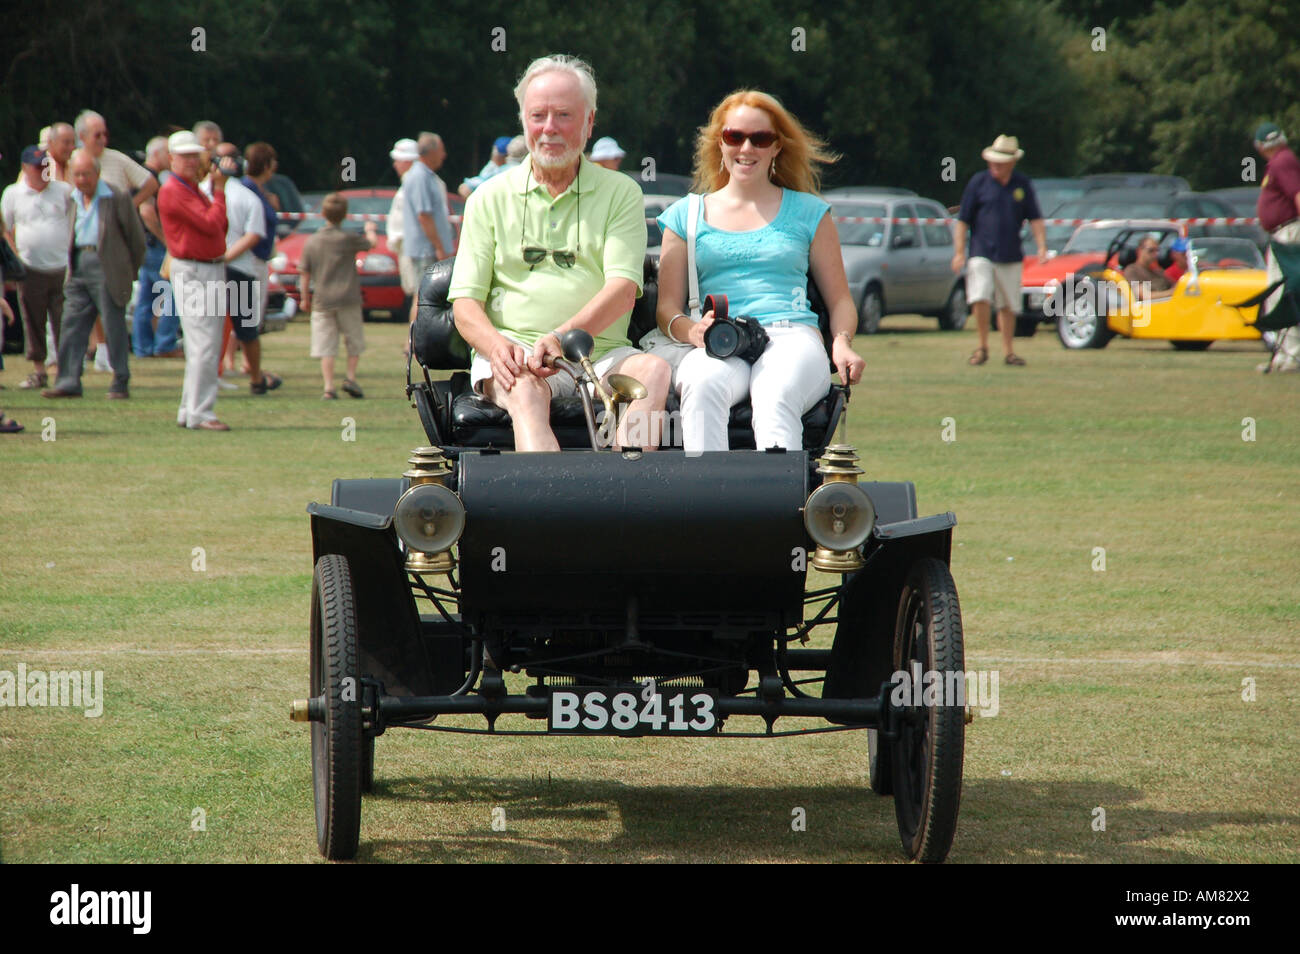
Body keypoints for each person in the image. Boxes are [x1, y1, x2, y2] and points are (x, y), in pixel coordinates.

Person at [448, 53, 670, 452]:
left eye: (564, 115)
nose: (549, 128)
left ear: (589, 123)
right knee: (526, 392)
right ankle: (546, 506)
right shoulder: (487, 198)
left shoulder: (621, 192)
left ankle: (628, 495)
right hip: (515, 353)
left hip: (599, 355)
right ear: (523, 121)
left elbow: (622, 289)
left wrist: (559, 338)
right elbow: (465, 304)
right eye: (538, 116)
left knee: (652, 371)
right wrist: (498, 348)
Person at [652, 90, 864, 454]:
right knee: (701, 388)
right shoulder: (684, 215)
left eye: (760, 138)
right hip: (719, 340)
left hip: (792, 335)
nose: (746, 148)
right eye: (735, 136)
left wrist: (841, 342)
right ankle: (708, 506)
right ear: (719, 142)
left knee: (775, 392)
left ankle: (777, 508)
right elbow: (666, 309)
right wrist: (695, 331)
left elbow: (840, 299)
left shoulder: (811, 212)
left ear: (777, 147)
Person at [40, 150, 145, 400]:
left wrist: (128, 273)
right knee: (71, 324)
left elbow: (137, 241)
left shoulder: (116, 197)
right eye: (76, 174)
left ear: (97, 173)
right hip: (78, 264)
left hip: (107, 265)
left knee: (113, 325)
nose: (81, 179)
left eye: (86, 174)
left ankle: (120, 380)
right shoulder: (73, 198)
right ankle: (68, 381)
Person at [156, 130, 231, 430]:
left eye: (193, 155)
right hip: (195, 268)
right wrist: (221, 190)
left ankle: (190, 410)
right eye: (184, 155)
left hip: (205, 267)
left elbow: (219, 225)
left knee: (203, 343)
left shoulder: (191, 187)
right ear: (172, 158)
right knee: (204, 344)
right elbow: (213, 222)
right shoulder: (174, 189)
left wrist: (214, 189)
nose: (190, 160)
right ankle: (201, 413)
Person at [952, 134, 1047, 367]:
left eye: (1000, 162)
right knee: (980, 295)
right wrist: (959, 252)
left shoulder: (1022, 184)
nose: (995, 166)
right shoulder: (978, 182)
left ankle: (1008, 352)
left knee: (1008, 304)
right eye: (992, 161)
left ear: (1012, 162)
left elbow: (1035, 218)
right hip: (981, 251)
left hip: (1011, 253)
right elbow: (963, 220)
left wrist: (1042, 246)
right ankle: (982, 347)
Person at [202, 142, 282, 395]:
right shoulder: (247, 196)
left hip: (220, 267)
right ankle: (252, 378)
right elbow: (253, 235)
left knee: (222, 326)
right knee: (242, 328)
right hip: (237, 268)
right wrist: (224, 258)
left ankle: (240, 375)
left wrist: (220, 258)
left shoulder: (206, 191)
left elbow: (253, 235)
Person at [2, 145, 75, 390]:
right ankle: (39, 370)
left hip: (62, 267)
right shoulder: (13, 194)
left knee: (63, 321)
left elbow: (75, 221)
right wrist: (16, 259)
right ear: (25, 168)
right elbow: (6, 229)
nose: (42, 170)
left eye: (45, 165)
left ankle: (66, 372)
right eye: (37, 166)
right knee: (33, 321)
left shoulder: (63, 191)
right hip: (30, 268)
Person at [299, 193, 379, 399]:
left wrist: (304, 298)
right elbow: (371, 244)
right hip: (348, 296)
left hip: (322, 299)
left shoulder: (312, 241)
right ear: (345, 215)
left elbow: (305, 272)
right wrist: (371, 230)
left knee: (326, 345)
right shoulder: (348, 238)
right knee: (353, 340)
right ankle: (350, 378)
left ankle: (328, 387)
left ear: (323, 213)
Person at [1253, 122, 1300, 373]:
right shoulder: (1281, 161)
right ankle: (1283, 356)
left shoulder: (1283, 162)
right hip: (1280, 233)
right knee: (1277, 294)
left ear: (1261, 147)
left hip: (1288, 233)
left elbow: (1298, 194)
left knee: (1286, 294)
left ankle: (1292, 357)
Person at [132, 136, 183, 358]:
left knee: (146, 300)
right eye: (167, 152)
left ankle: (142, 347)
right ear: (156, 153)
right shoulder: (148, 178)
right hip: (155, 247)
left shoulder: (136, 175)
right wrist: (167, 240)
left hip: (143, 246)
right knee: (174, 294)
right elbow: (146, 212)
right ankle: (165, 344)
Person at [74, 111, 157, 209]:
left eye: (105, 134)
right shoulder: (72, 160)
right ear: (82, 136)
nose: (103, 139)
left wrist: (129, 208)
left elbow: (151, 184)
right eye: (97, 135)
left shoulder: (117, 158)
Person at [386, 138, 419, 311]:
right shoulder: (408, 182)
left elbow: (423, 217)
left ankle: (413, 338)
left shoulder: (415, 182)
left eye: (397, 160)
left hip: (414, 247)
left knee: (418, 295)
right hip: (408, 246)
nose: (395, 165)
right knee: (415, 293)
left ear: (407, 161)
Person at [1122, 236, 1174, 301]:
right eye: (1151, 250)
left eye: (1157, 251)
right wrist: (1171, 293)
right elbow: (1145, 296)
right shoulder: (1132, 271)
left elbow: (1175, 286)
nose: (1155, 254)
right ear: (1140, 251)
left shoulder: (1158, 271)